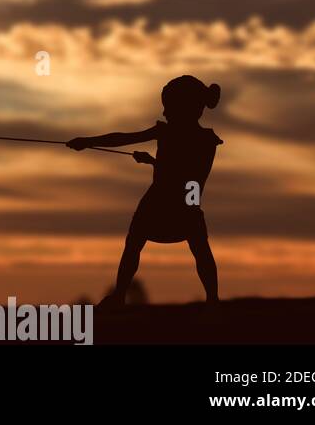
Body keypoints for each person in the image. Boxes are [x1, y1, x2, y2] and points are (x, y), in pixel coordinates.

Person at [67, 75, 223, 309]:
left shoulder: (199, 139)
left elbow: (190, 176)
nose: (164, 111)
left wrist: (152, 162)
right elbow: (125, 138)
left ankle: (210, 299)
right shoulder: (198, 138)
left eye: (169, 106)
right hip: (178, 198)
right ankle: (210, 300)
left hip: (173, 198)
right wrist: (90, 142)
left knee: (179, 245)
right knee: (191, 246)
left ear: (185, 108)